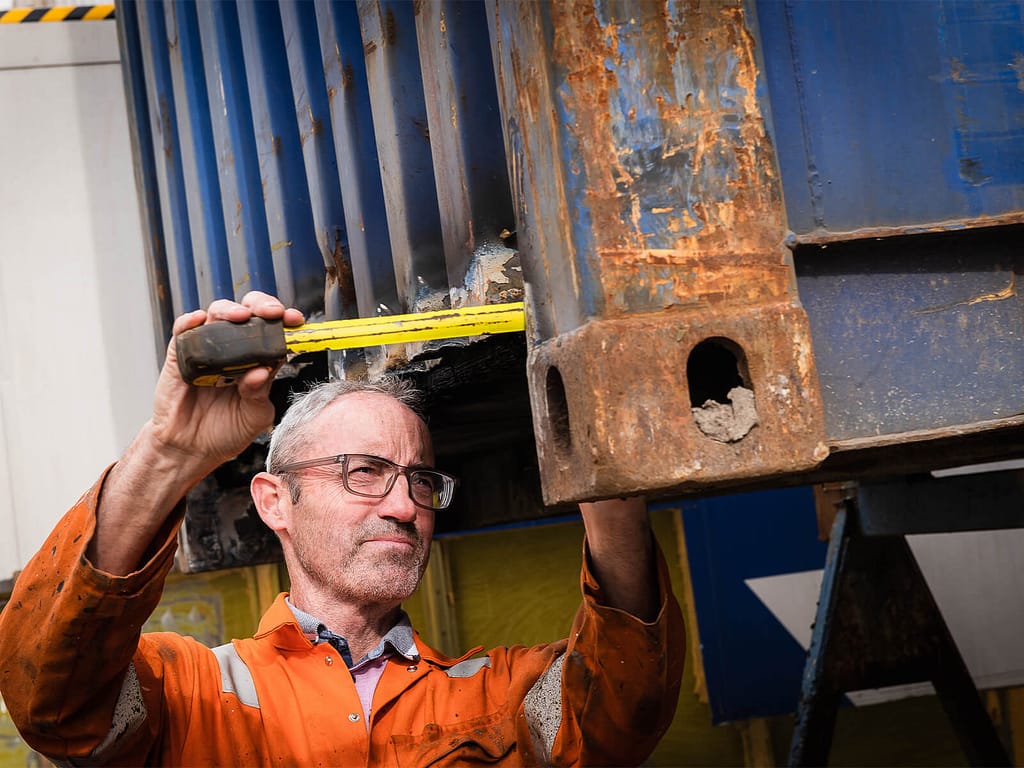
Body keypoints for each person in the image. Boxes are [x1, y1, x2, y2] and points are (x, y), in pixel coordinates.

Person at [0, 292, 684, 766]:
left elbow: (621, 715)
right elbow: (52, 702)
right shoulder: (189, 695)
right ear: (274, 501)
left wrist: (605, 463)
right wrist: (168, 453)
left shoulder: (492, 697)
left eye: (420, 480)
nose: (403, 506)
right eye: (363, 471)